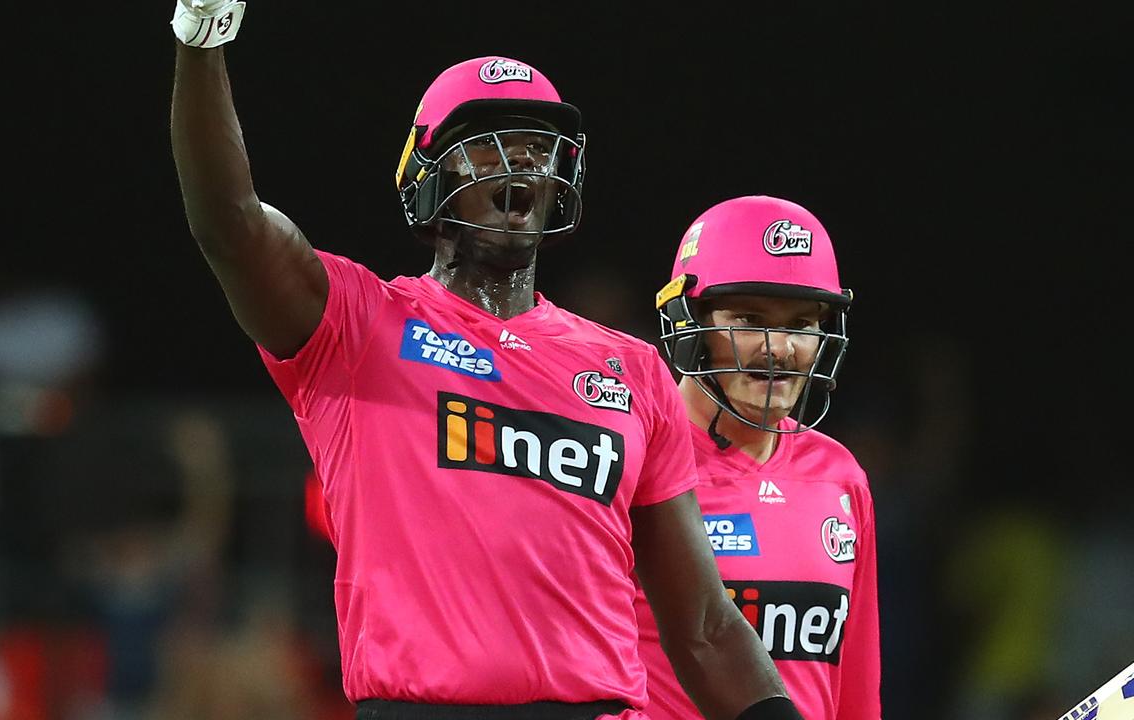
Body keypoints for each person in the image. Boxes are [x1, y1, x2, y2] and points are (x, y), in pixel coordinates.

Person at [167, 3, 807, 719]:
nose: (520, 160)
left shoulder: (633, 370)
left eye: (537, 144)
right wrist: (201, 40)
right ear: (429, 176)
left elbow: (706, 627)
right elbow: (228, 221)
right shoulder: (357, 324)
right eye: (486, 142)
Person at [643, 195, 881, 719]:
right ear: (687, 323)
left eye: (801, 324)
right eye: (750, 318)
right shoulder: (636, 461)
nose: (782, 348)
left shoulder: (839, 476)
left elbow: (856, 695)